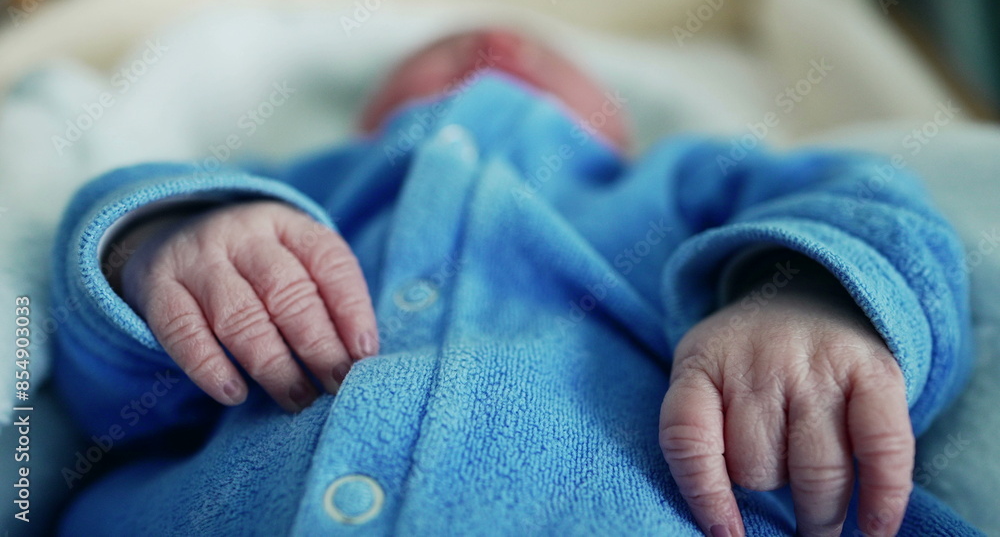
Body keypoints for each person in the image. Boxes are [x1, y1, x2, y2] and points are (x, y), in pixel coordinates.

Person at [52, 28, 978, 536]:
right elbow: (104, 397)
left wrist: (802, 294)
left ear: (616, 127)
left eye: (554, 57)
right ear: (374, 113)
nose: (492, 44)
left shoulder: (673, 181)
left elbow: (875, 204)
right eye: (432, 51)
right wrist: (172, 234)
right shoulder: (302, 185)